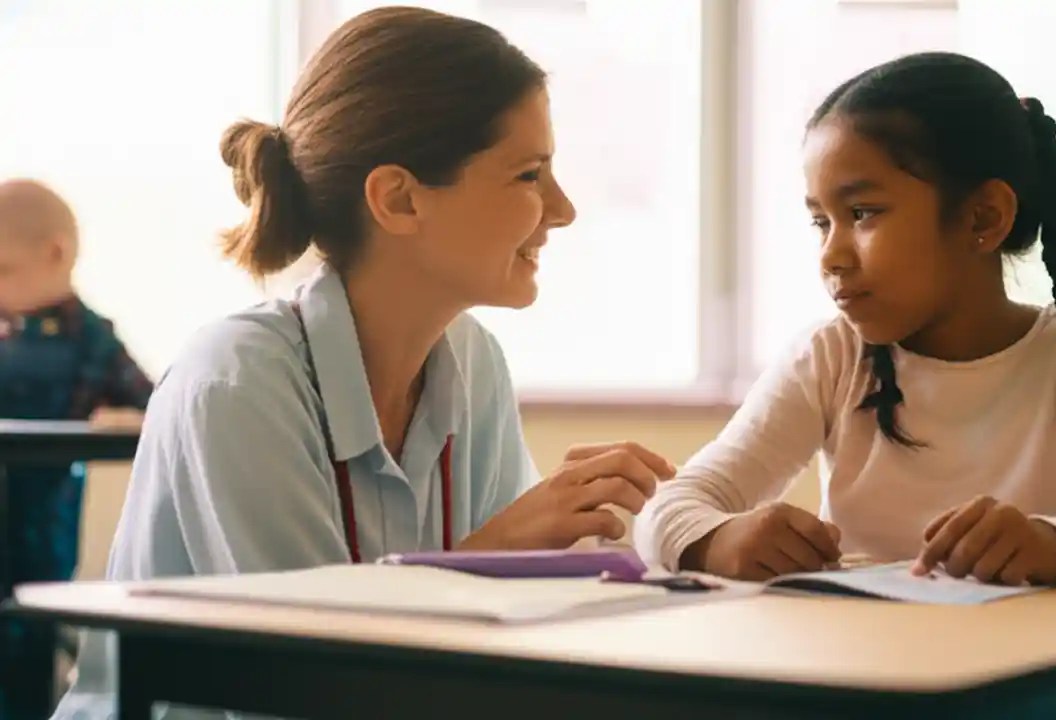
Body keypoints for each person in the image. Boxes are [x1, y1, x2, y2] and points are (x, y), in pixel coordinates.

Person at [53, 7, 672, 718]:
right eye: (530, 175)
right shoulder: (236, 382)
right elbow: (310, 687)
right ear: (399, 199)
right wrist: (496, 550)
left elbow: (505, 643)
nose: (562, 210)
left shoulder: (473, 362)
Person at [634, 52, 1056, 588]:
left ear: (983, 218)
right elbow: (668, 509)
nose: (831, 255)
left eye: (863, 213)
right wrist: (716, 541)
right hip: (865, 669)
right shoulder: (831, 359)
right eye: (821, 221)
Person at [0, 179, 151, 720]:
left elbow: (157, 408)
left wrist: (129, 419)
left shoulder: (93, 342)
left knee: (27, 638)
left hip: (44, 523)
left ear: (55, 254)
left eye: (4, 271)